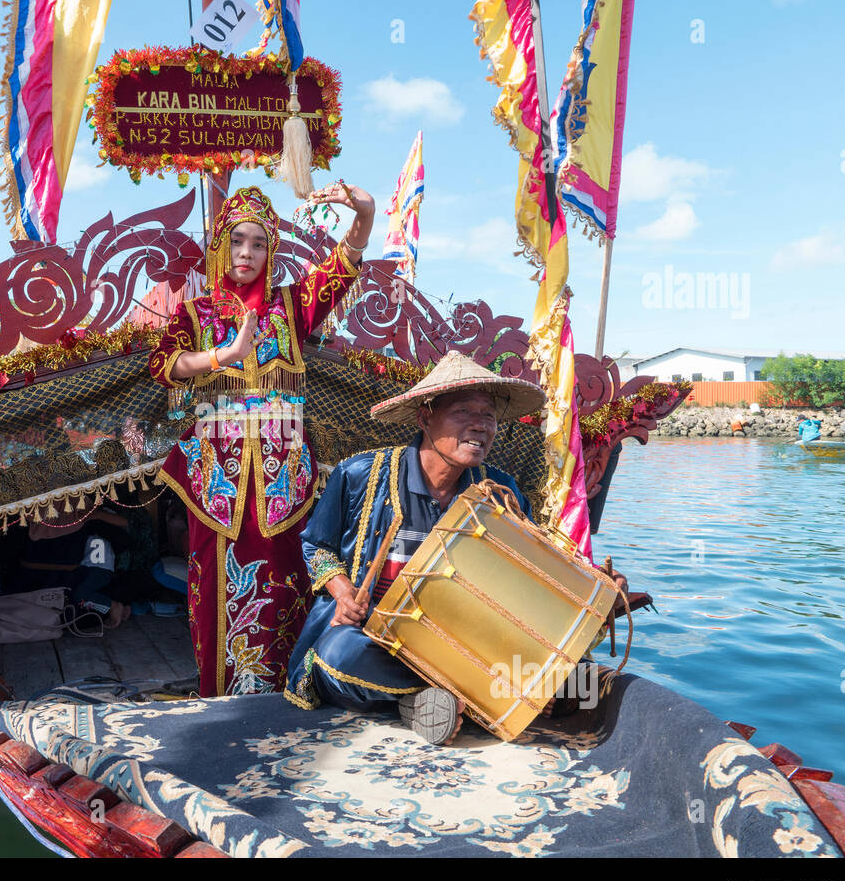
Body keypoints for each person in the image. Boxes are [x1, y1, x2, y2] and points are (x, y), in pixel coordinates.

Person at [149, 183, 376, 697]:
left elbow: (344, 266)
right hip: (218, 487)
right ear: (220, 247)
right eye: (236, 242)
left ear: (270, 252)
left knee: (285, 585)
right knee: (216, 589)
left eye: (257, 243)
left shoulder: (292, 309)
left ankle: (290, 692)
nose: (246, 254)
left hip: (283, 486)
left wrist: (363, 214)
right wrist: (222, 357)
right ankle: (220, 696)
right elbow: (166, 366)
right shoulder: (197, 314)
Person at [284, 352, 550, 744]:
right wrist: (342, 592)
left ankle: (424, 703)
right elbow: (316, 547)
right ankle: (461, 699)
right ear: (425, 416)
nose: (481, 425)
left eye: (489, 415)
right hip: (373, 641)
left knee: (559, 664)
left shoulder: (500, 493)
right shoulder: (359, 475)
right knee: (336, 656)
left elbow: (531, 573)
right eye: (463, 412)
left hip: (460, 648)